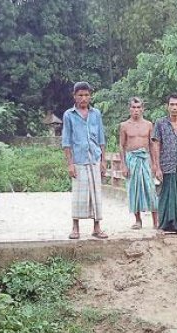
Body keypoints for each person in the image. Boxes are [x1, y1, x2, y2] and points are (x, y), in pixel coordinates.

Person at [61, 81, 107, 239]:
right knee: (78, 195)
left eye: (86, 95)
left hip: (94, 156)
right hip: (78, 159)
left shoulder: (96, 114)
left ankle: (97, 227)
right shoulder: (69, 115)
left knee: (96, 194)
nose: (83, 98)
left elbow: (101, 138)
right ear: (74, 96)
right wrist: (70, 164)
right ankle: (75, 227)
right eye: (80, 95)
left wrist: (103, 160)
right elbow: (66, 141)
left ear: (90, 96)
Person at [151, 94, 177, 235]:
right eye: (172, 104)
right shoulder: (160, 123)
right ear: (167, 106)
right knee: (165, 195)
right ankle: (162, 226)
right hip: (166, 165)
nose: (174, 107)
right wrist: (156, 166)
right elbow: (156, 144)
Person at [118, 97, 157, 229]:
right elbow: (121, 146)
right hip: (131, 159)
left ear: (142, 109)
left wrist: (155, 164)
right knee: (133, 189)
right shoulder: (124, 126)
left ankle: (156, 222)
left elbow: (152, 145)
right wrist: (123, 165)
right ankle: (138, 220)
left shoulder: (149, 125)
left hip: (145, 158)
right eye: (133, 107)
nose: (136, 110)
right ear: (130, 109)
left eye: (138, 107)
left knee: (151, 189)